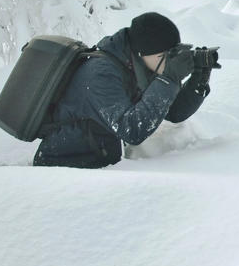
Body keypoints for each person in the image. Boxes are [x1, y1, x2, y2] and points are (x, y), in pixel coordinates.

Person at [33, 12, 212, 168]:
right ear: (144, 53)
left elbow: (172, 112)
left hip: (97, 163)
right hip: (66, 168)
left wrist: (199, 78)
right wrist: (169, 79)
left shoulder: (135, 66)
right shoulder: (101, 74)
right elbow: (132, 130)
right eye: (165, 56)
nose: (169, 62)